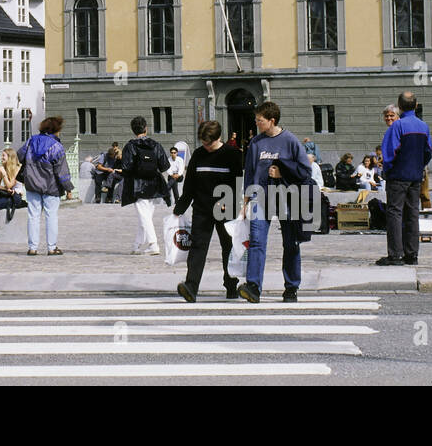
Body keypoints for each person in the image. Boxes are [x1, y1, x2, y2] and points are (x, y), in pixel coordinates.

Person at [238, 102, 310, 303]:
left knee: (291, 244)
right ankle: (253, 286)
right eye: (256, 119)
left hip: (289, 199)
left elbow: (305, 172)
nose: (256, 123)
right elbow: (250, 174)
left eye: (259, 120)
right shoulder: (256, 143)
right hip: (260, 198)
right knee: (257, 242)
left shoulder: (290, 141)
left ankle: (291, 287)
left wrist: (282, 172)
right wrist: (244, 203)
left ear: (272, 120)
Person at [175, 120, 243, 302]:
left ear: (218, 137)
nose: (206, 147)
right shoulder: (198, 154)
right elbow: (189, 185)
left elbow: (237, 184)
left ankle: (231, 286)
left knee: (228, 248)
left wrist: (229, 203)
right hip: (202, 209)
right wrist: (179, 208)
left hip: (225, 209)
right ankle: (191, 286)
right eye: (203, 143)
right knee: (198, 247)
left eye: (209, 143)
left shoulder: (232, 154)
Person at [377, 92, 432, 266]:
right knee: (412, 214)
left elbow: (389, 153)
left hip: (398, 176)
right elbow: (428, 152)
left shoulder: (397, 126)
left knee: (394, 213)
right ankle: (412, 254)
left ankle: (395, 254)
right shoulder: (424, 127)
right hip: (415, 177)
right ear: (416, 106)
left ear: (399, 107)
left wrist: (388, 171)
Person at [18, 117, 73, 256]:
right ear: (56, 130)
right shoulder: (56, 147)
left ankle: (32, 247)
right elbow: (62, 171)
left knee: (33, 216)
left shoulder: (31, 141)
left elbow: (19, 155)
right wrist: (68, 188)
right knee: (51, 216)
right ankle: (51, 247)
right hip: (51, 186)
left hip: (32, 184)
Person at [121, 116, 170, 256]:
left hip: (137, 185)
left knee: (144, 217)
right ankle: (136, 245)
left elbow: (126, 167)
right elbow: (164, 165)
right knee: (145, 216)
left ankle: (153, 244)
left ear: (133, 130)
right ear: (146, 128)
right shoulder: (155, 145)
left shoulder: (130, 146)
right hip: (154, 185)